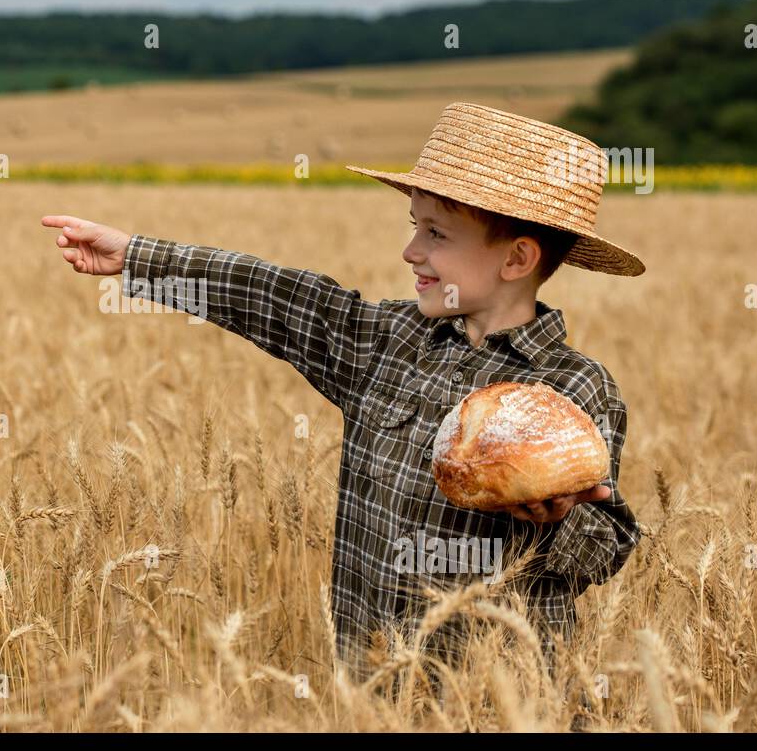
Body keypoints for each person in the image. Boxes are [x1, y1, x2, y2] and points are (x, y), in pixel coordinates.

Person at [41, 101, 643, 691]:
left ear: (518, 258)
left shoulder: (573, 388)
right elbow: (275, 297)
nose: (412, 251)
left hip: (498, 698)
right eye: (415, 228)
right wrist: (140, 258)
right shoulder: (386, 341)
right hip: (371, 685)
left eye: (436, 234)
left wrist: (560, 519)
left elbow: (606, 546)